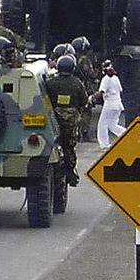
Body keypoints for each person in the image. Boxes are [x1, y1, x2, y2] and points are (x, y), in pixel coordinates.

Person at [46, 55, 89, 186]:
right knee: (69, 146)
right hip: (71, 122)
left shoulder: (51, 83)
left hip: (53, 120)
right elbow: (84, 101)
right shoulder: (77, 83)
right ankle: (70, 172)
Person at [96, 62, 126, 148]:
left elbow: (101, 92)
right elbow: (120, 90)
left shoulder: (106, 79)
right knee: (112, 125)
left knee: (102, 125)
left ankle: (104, 144)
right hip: (118, 103)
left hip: (109, 104)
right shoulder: (116, 78)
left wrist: (92, 98)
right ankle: (126, 134)